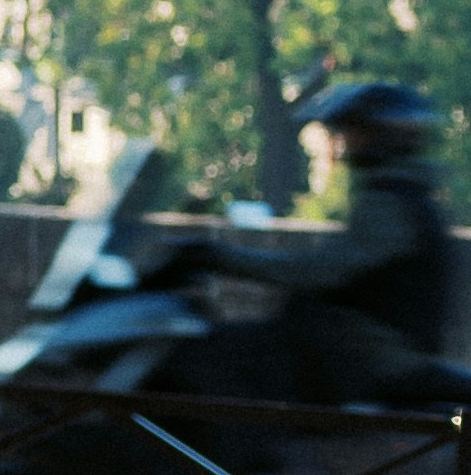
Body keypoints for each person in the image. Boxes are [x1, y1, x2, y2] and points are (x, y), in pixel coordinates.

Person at [152, 81, 457, 402]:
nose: (344, 144)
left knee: (213, 355)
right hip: (365, 352)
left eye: (355, 133)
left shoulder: (389, 203)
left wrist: (220, 257)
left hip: (372, 360)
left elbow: (319, 270)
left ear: (386, 138)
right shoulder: (405, 195)